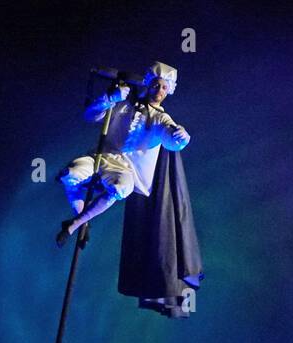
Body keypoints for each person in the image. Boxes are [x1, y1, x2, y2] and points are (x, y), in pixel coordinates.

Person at [55, 62, 191, 247]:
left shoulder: (160, 118)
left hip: (124, 168)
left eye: (164, 87)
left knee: (121, 188)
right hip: (100, 156)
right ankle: (83, 220)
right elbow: (90, 116)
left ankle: (75, 223)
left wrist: (181, 136)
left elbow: (171, 138)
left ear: (168, 91)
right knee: (69, 175)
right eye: (156, 85)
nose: (159, 90)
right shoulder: (124, 104)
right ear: (148, 84)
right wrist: (110, 98)